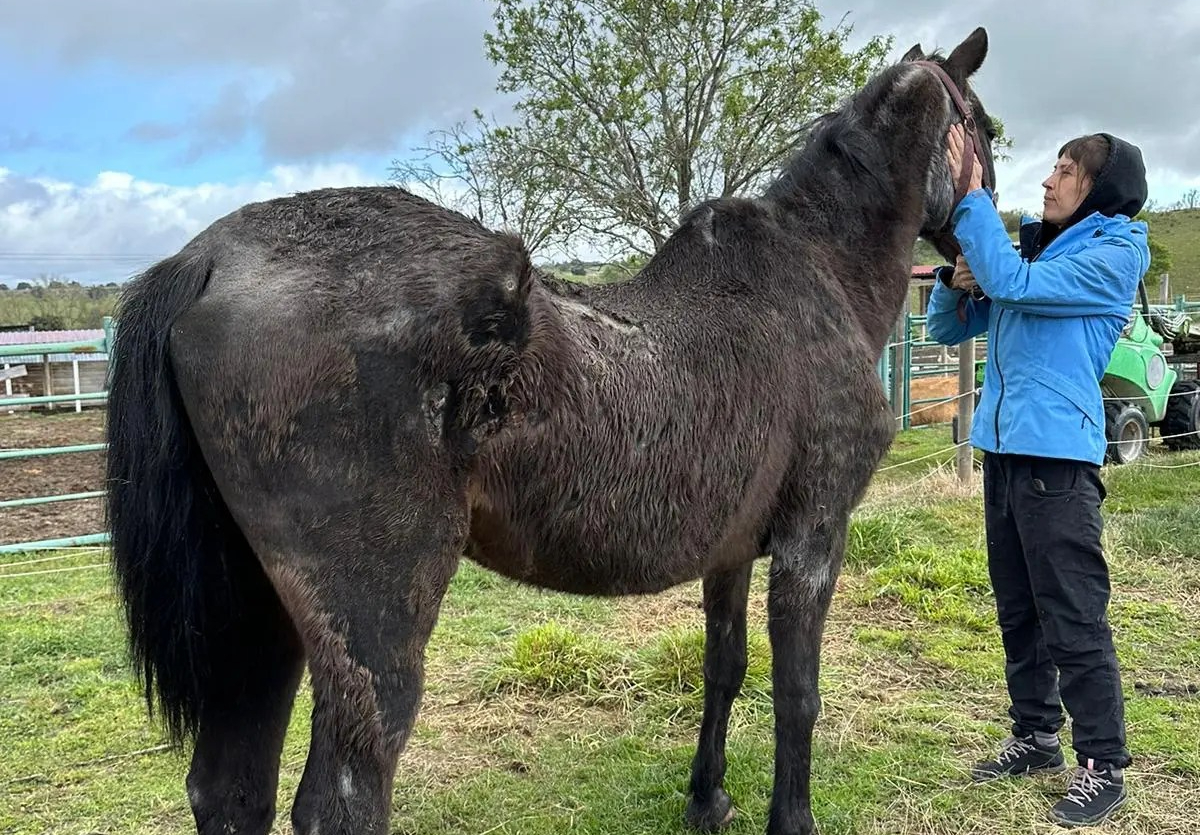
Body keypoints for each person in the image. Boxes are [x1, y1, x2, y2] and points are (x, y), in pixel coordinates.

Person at [927, 125, 1150, 828]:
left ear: (1101, 190)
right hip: (1004, 451)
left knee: (1072, 615)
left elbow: (1015, 284)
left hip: (1059, 459)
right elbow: (948, 329)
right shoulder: (1035, 248)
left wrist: (971, 198)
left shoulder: (1113, 253)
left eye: (1066, 171)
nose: (1050, 181)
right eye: (1051, 167)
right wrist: (953, 278)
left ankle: (1104, 762)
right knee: (1018, 607)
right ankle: (1034, 735)